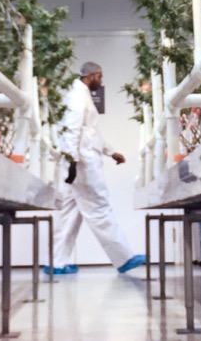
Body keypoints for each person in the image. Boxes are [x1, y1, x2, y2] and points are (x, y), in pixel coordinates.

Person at [45, 61, 146, 275]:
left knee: (69, 214)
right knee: (100, 208)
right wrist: (71, 160)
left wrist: (110, 152)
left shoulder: (82, 96)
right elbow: (72, 130)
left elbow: (92, 133)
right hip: (82, 165)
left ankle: (57, 263)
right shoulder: (77, 97)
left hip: (80, 162)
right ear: (89, 76)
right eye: (99, 77)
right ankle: (124, 257)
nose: (101, 81)